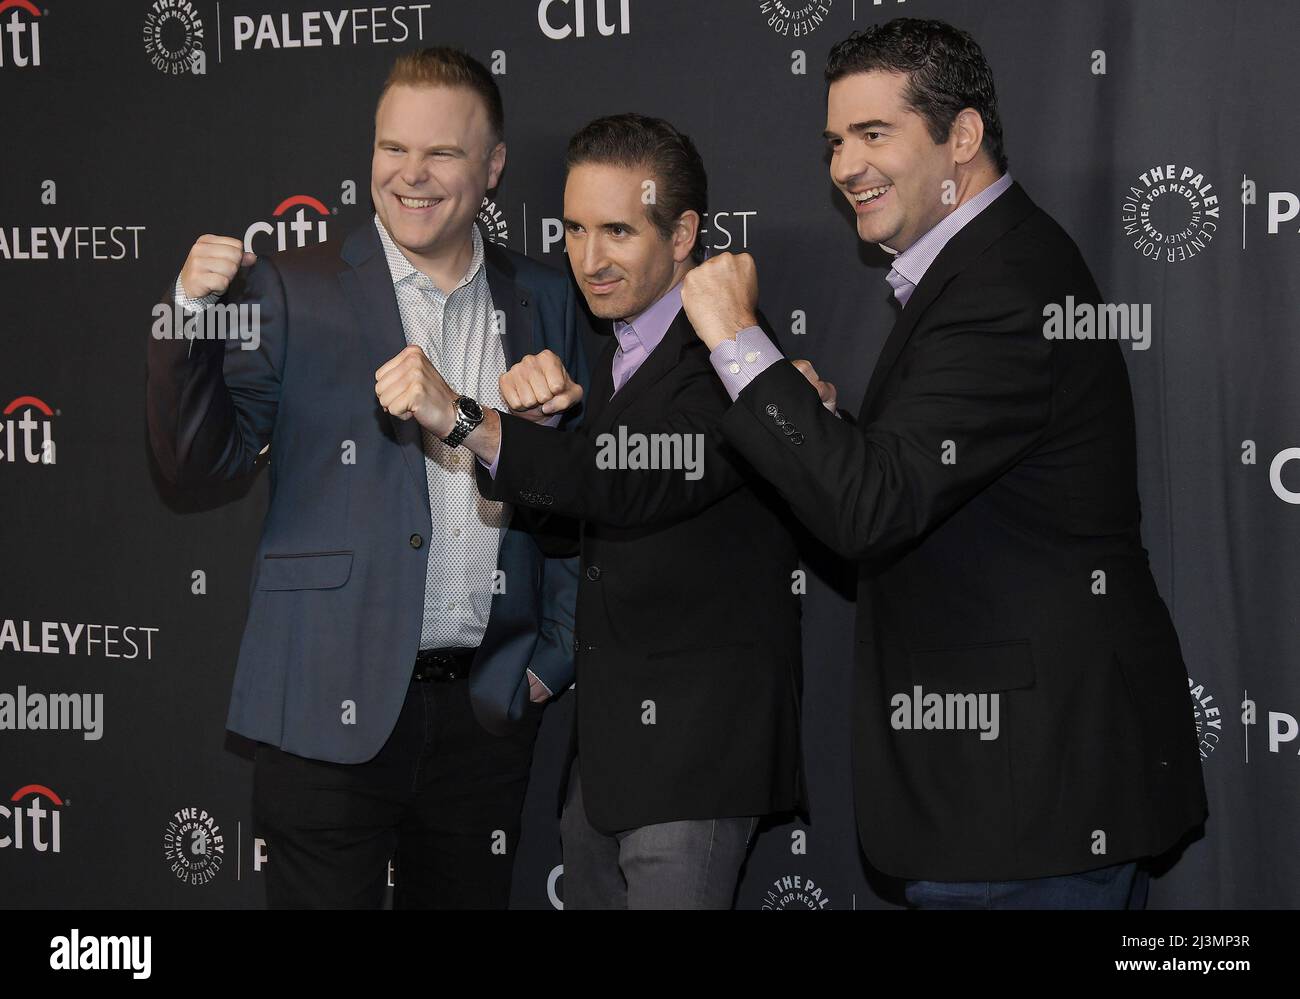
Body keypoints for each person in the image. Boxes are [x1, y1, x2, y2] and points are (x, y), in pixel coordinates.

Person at [679, 18, 1207, 909]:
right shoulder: (986, 269)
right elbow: (924, 482)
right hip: (1015, 801)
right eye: (834, 141)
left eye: (872, 133)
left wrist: (735, 336)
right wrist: (825, 427)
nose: (845, 165)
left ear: (961, 136)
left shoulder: (1003, 284)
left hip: (1025, 801)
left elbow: (870, 507)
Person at [147, 47, 587, 909]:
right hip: (322, 703)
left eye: (442, 153)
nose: (410, 175)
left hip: (485, 714)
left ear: (493, 166)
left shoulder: (545, 298)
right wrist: (185, 315)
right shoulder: (291, 288)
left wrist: (553, 656)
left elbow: (574, 488)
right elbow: (196, 462)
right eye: (393, 148)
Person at [388, 113, 808, 909]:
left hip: (695, 759)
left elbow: (631, 481)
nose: (588, 259)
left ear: (682, 234)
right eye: (574, 230)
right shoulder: (614, 353)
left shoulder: (730, 358)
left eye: (617, 230)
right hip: (608, 763)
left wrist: (469, 419)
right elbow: (586, 528)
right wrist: (539, 434)